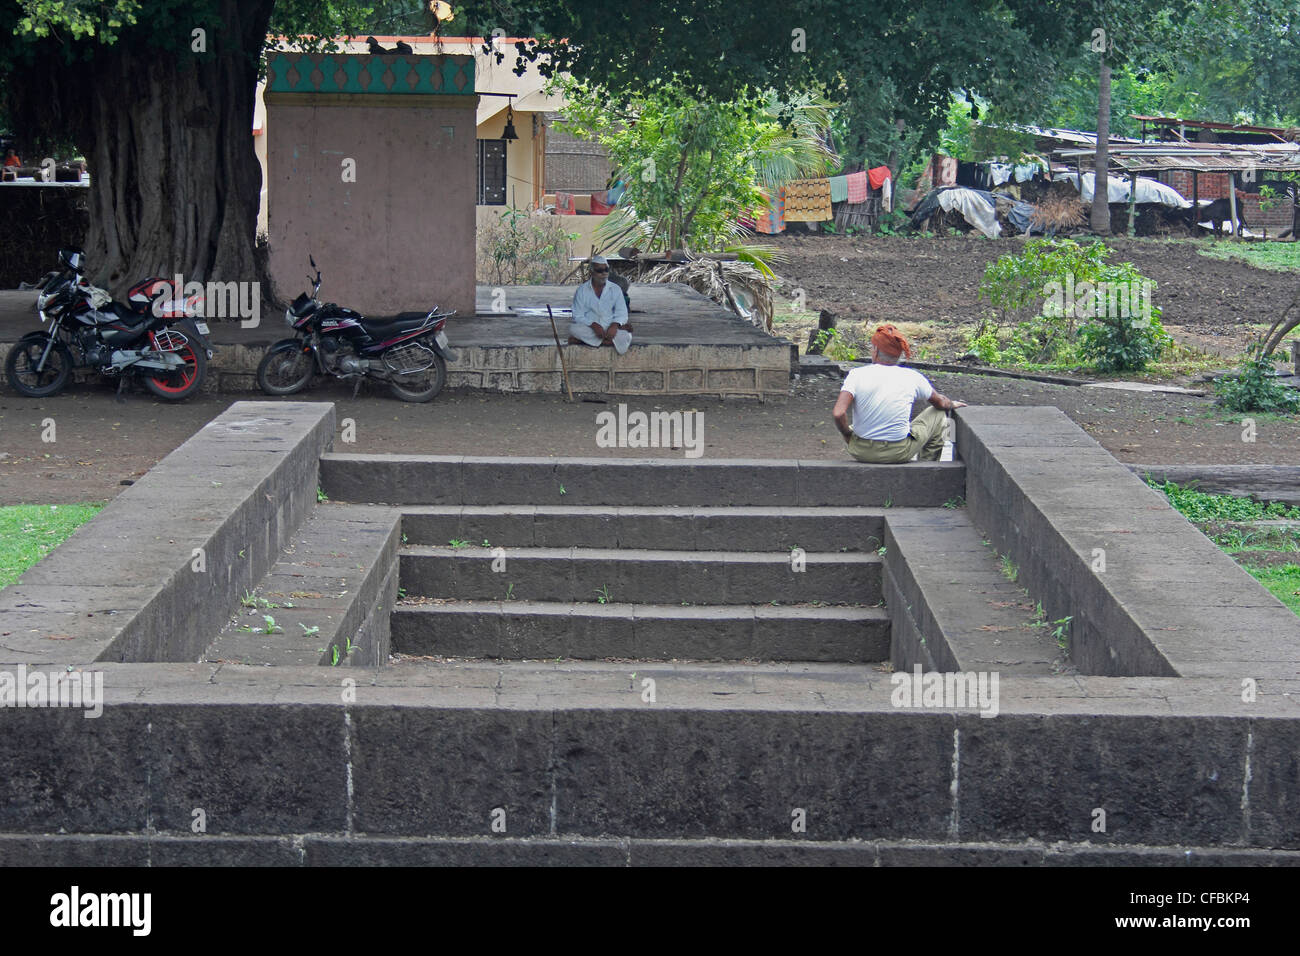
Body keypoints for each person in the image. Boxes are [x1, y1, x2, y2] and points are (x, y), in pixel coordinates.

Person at [832, 324, 967, 463]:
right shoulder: (912, 377)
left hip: (861, 451)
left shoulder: (856, 375)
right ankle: (928, 466)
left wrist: (847, 434)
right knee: (938, 413)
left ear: (876, 350)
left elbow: (838, 413)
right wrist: (951, 404)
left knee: (854, 426)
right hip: (898, 452)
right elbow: (940, 403)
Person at [568, 255, 632, 354]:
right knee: (574, 329)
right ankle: (608, 342)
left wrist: (615, 325)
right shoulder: (582, 290)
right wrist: (593, 325)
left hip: (610, 329)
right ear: (592, 272)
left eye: (606, 270)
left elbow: (622, 313)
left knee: (626, 336)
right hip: (591, 329)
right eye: (600, 270)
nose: (604, 273)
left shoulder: (615, 289)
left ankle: (587, 342)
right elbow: (577, 315)